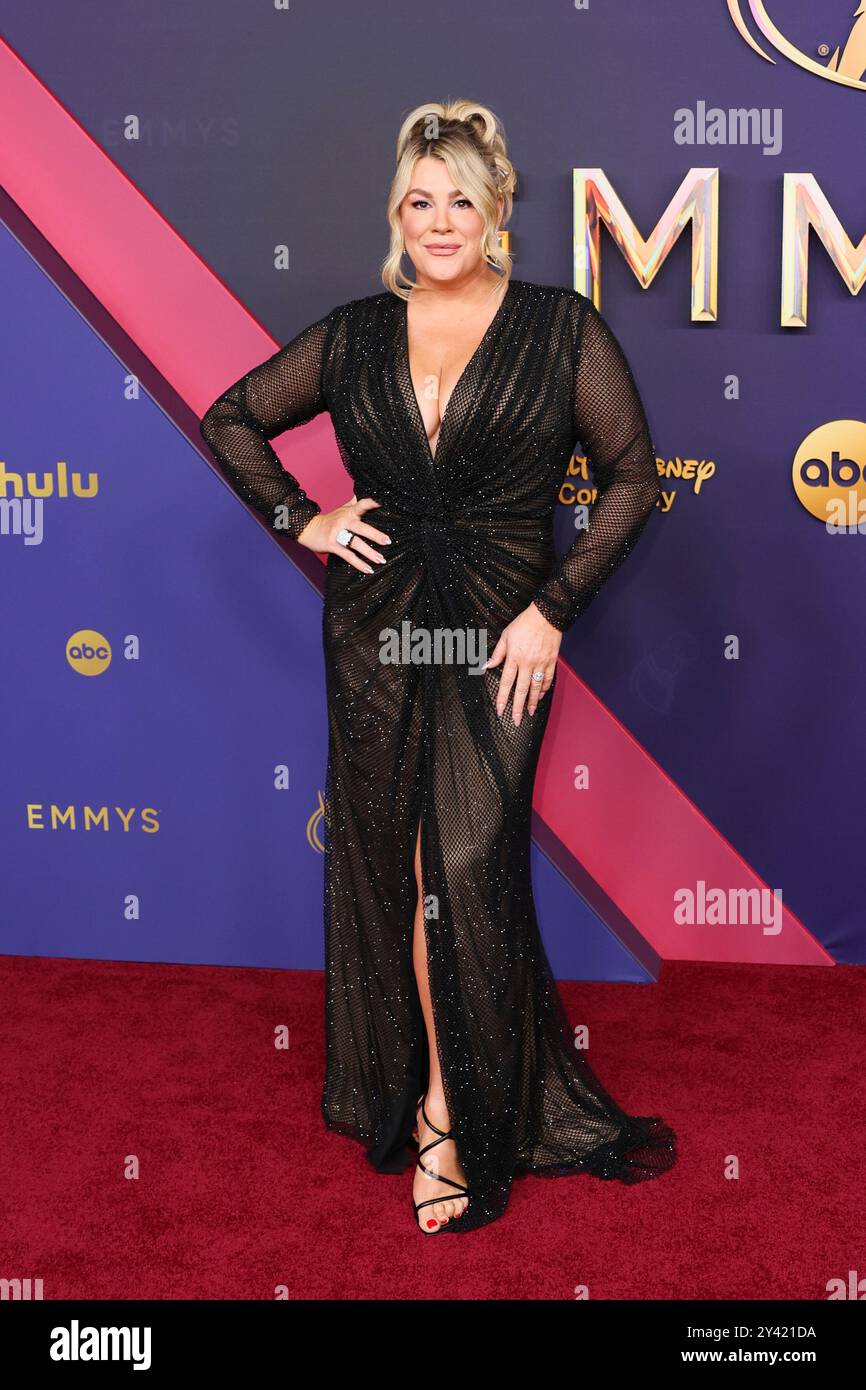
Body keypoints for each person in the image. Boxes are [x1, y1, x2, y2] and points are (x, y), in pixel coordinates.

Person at [200, 99, 676, 1236]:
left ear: (497, 207)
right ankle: (427, 1098)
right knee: (393, 858)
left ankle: (456, 1111)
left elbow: (630, 478)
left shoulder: (558, 327)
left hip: (500, 628)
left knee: (465, 860)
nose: (439, 219)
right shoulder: (357, 332)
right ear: (396, 214)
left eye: (460, 197)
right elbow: (232, 418)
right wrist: (301, 518)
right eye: (419, 200)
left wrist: (552, 608)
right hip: (375, 626)